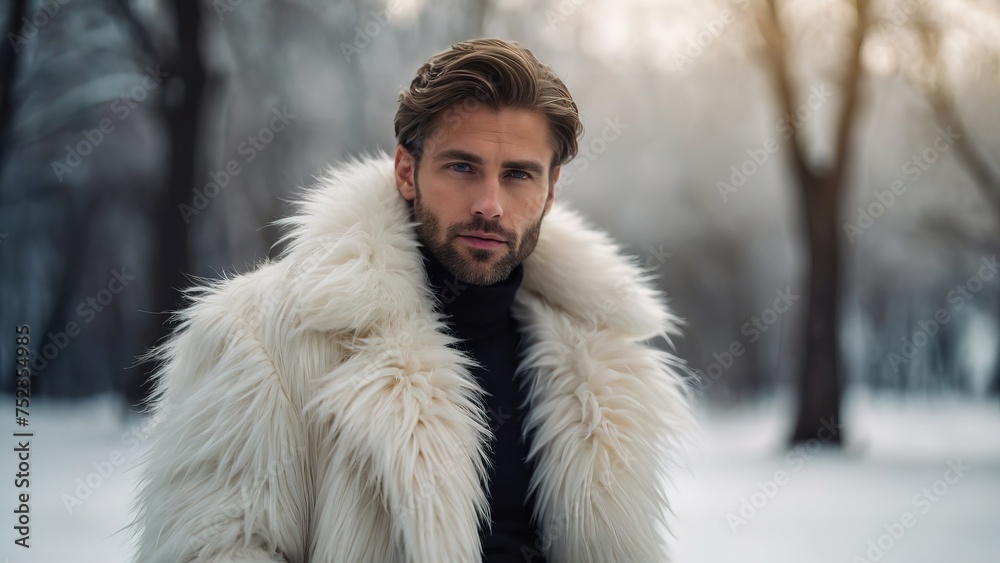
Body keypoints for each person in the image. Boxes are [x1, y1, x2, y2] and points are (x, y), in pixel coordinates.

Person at [129, 38, 692, 563]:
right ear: (406, 171)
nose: (490, 204)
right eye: (462, 167)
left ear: (550, 192)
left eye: (518, 174)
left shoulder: (604, 374)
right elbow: (210, 550)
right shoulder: (258, 339)